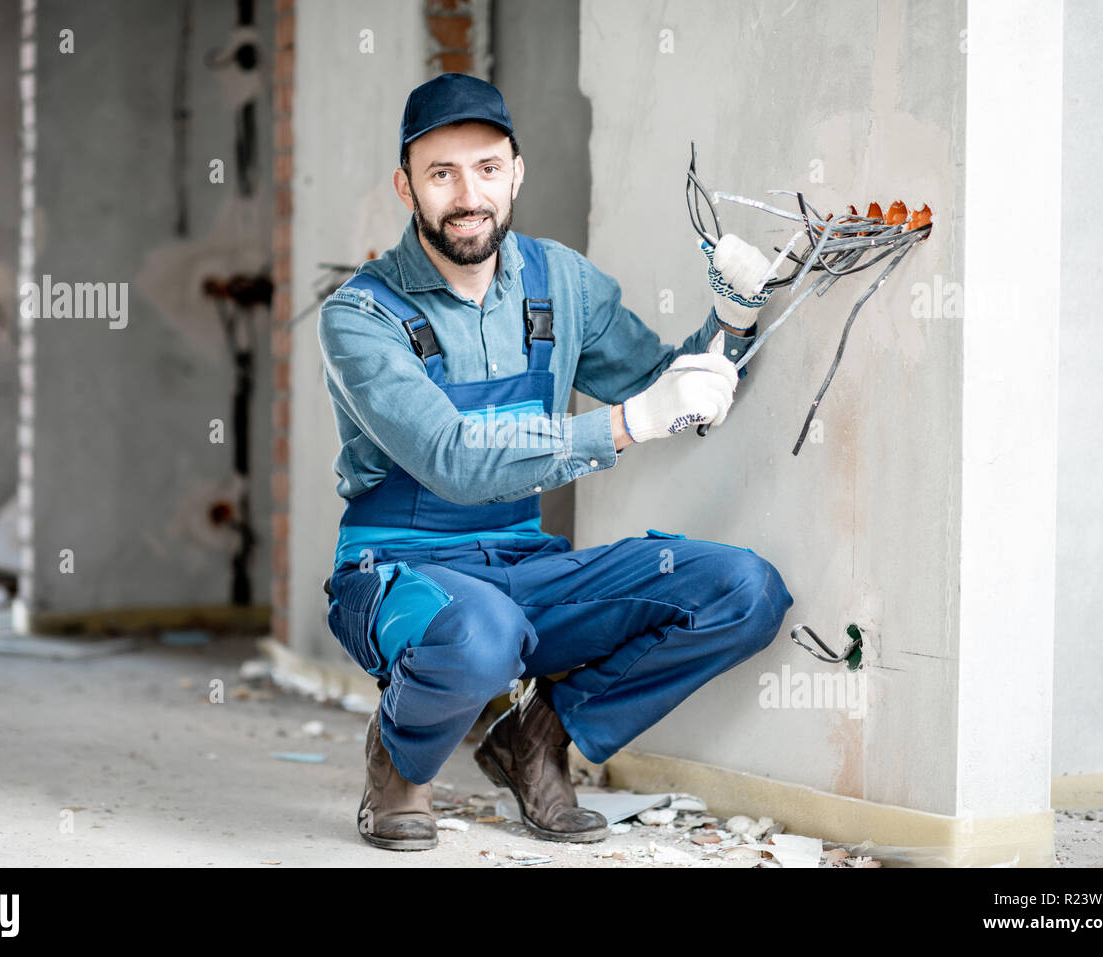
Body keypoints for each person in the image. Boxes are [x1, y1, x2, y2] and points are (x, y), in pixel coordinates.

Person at [318, 73, 793, 851]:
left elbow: (655, 384)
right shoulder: (361, 315)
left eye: (487, 167)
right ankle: (398, 767)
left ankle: (537, 736)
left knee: (742, 590)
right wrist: (624, 425)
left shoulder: (561, 282)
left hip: (522, 565)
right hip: (399, 572)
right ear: (406, 187)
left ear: (517, 172)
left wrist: (733, 318)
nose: (468, 194)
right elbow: (451, 457)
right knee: (482, 633)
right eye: (442, 173)